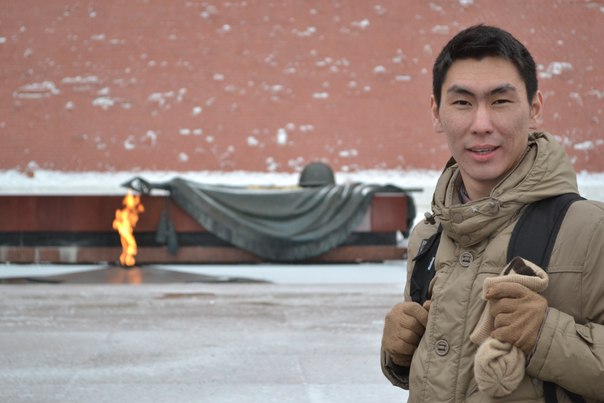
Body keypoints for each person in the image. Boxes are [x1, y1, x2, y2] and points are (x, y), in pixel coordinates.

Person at [380, 24, 604, 402]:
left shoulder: (591, 230)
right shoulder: (428, 237)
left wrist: (545, 335)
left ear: (534, 108)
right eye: (462, 103)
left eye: (500, 101)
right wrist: (400, 351)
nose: (481, 125)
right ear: (436, 112)